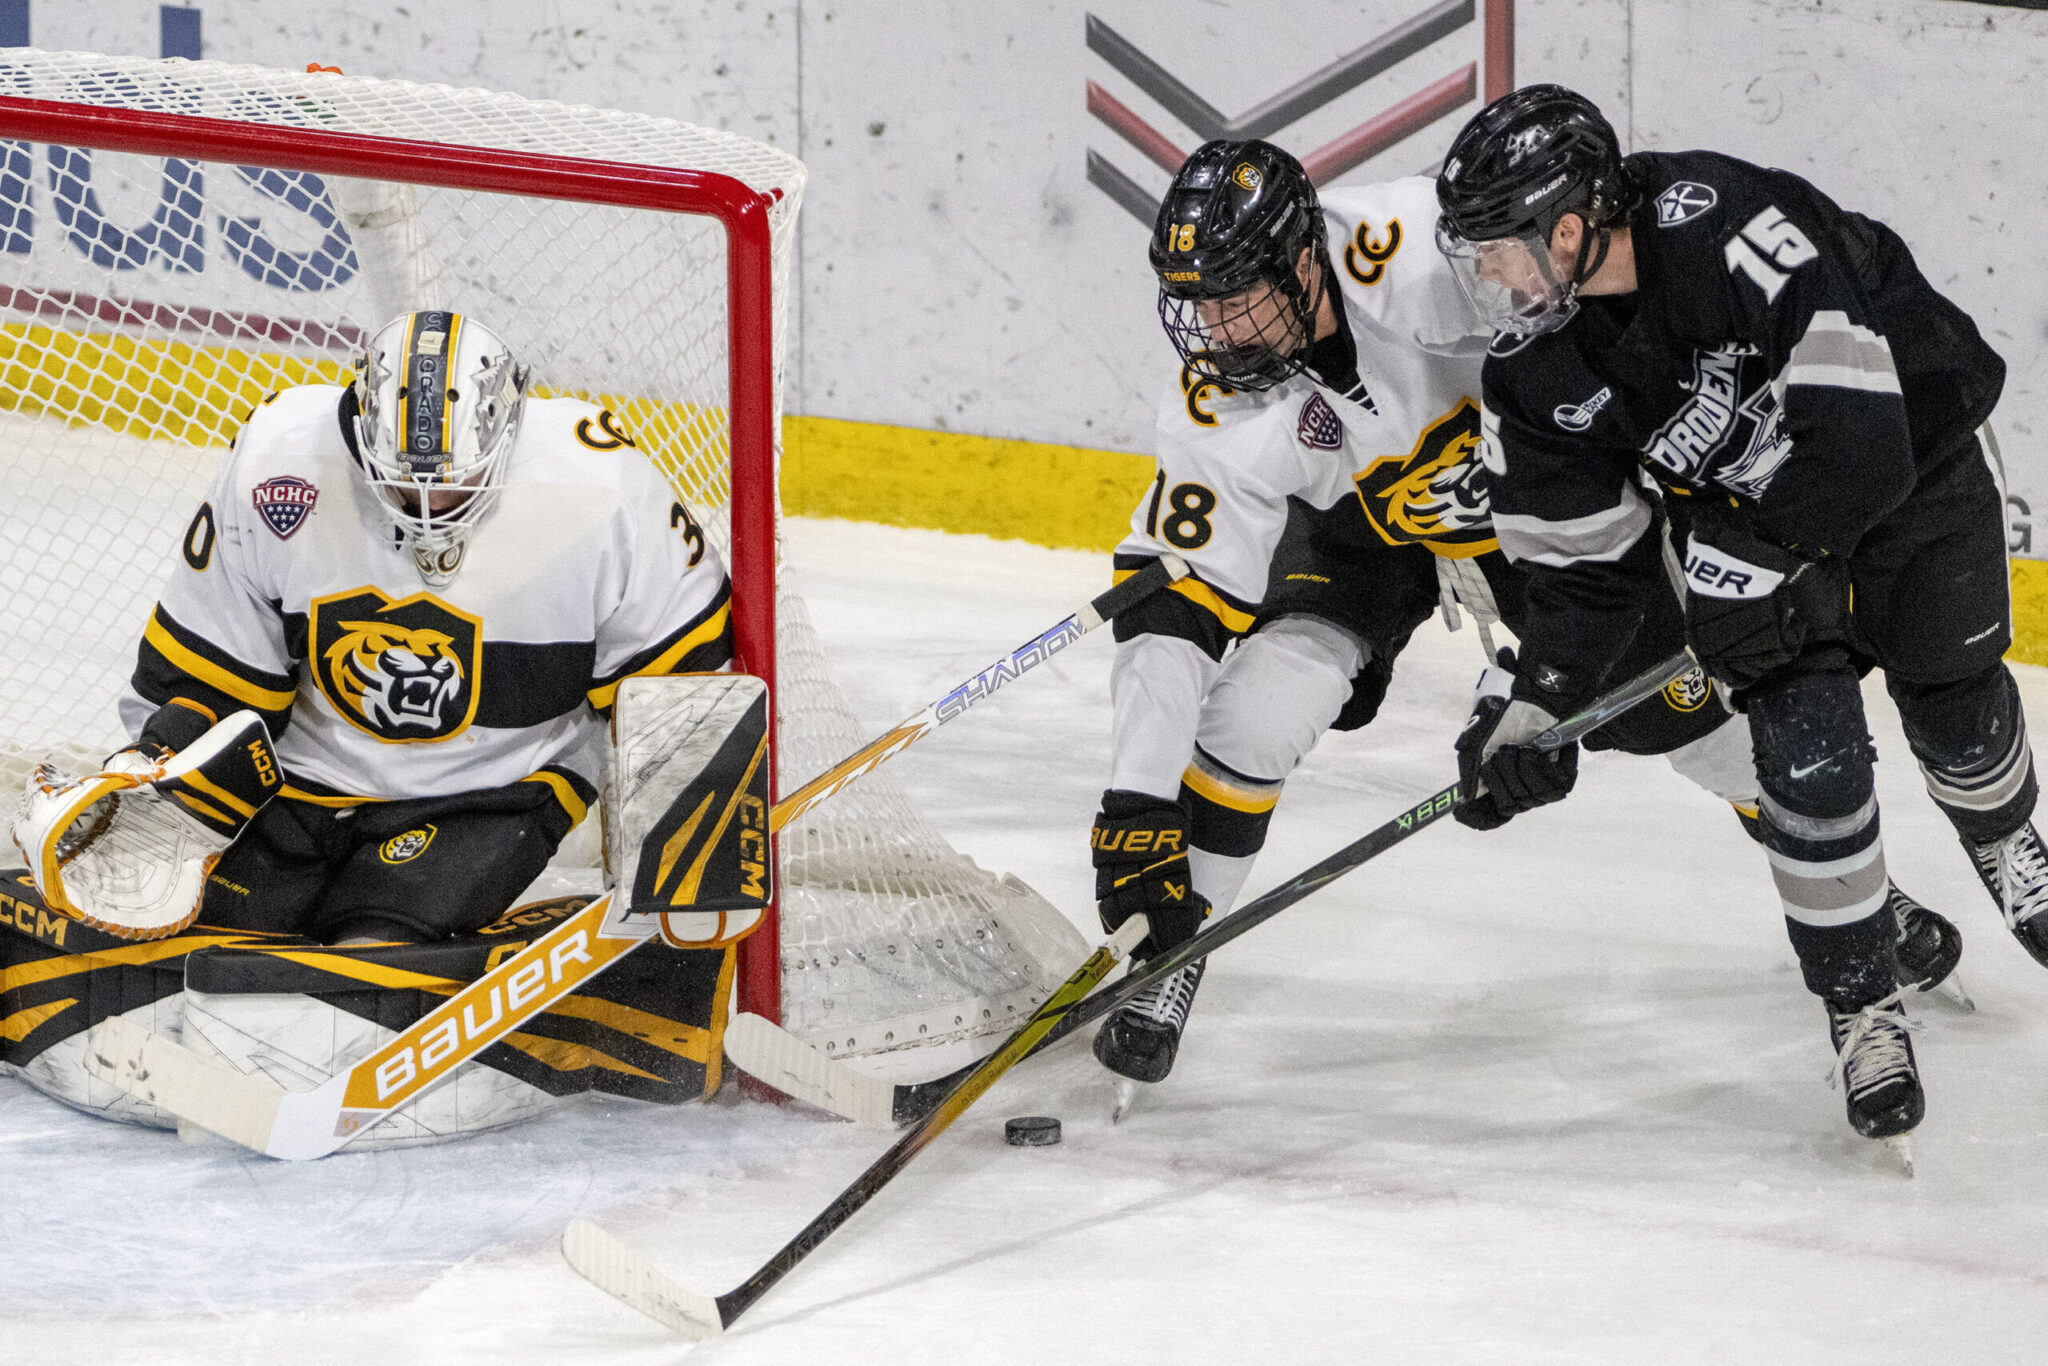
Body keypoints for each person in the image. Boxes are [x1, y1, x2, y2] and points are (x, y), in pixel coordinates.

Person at [1092, 140, 1959, 1099]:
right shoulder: (1221, 395)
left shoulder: (1426, 252)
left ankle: (1855, 896)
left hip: (1540, 500)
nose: (1214, 330)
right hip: (1362, 521)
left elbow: (1616, 332)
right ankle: (1170, 960)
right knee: (1260, 706)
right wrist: (1136, 801)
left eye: (1236, 297)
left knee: (1691, 727)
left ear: (1303, 261)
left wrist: (1541, 667)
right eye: (1195, 301)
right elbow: (1177, 606)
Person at [1434, 85, 2028, 1148]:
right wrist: (1538, 702)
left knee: (1952, 697)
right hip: (1746, 513)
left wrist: (1753, 561)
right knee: (1807, 759)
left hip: (1911, 452)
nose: (1489, 279)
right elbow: (1585, 575)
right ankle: (1860, 1004)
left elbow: (1861, 442)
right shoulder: (1532, 372)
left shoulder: (1729, 226)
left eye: (1498, 251)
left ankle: (2004, 838)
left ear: (1565, 228)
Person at [24, 309, 735, 945]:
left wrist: (684, 861)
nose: (427, 504)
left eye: (453, 481)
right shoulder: (281, 460)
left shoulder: (601, 487)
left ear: (508, 430)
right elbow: (212, 668)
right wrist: (161, 770)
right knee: (203, 932)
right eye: (401, 480)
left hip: (494, 785)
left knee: (373, 941)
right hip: (303, 780)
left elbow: (681, 690)